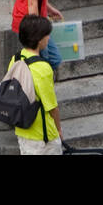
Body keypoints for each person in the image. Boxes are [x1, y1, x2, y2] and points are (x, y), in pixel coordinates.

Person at [8, 14, 63, 155]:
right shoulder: (43, 68)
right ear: (39, 40)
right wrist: (59, 130)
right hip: (43, 137)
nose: (49, 38)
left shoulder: (16, 58)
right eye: (47, 35)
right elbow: (52, 107)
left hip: (22, 129)